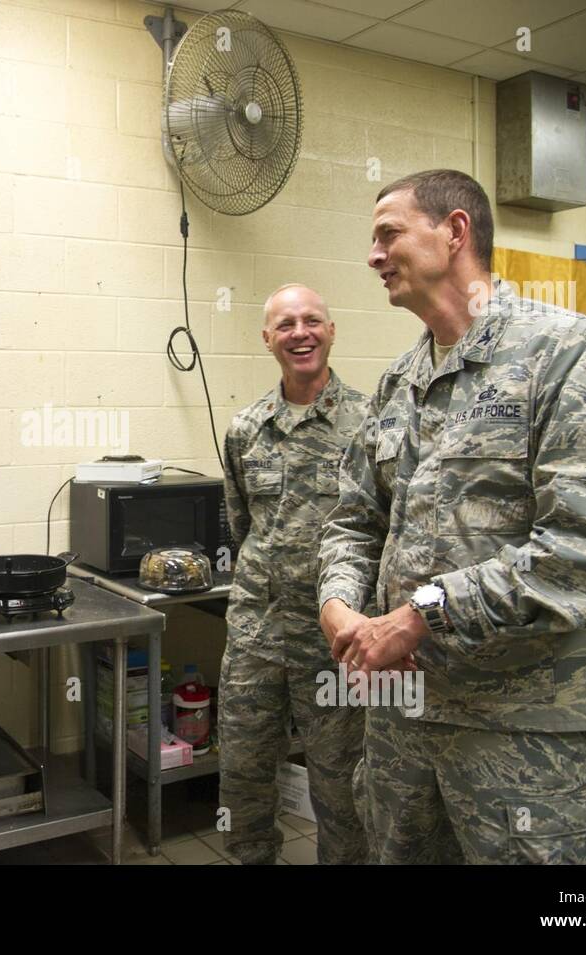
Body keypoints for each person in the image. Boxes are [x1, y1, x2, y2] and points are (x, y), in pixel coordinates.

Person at [318, 169, 586, 864]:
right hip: (402, 721)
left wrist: (418, 615)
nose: (373, 255)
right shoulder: (398, 381)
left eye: (388, 234)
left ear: (455, 231)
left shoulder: (565, 354)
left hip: (521, 729)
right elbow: (353, 518)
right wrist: (339, 604)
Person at [219, 284, 371, 864]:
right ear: (267, 339)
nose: (300, 333)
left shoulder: (370, 421)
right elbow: (243, 526)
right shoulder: (246, 429)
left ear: (331, 331)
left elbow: (381, 528)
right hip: (257, 634)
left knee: (342, 783)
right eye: (286, 325)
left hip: (339, 641)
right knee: (244, 772)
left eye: (312, 321)